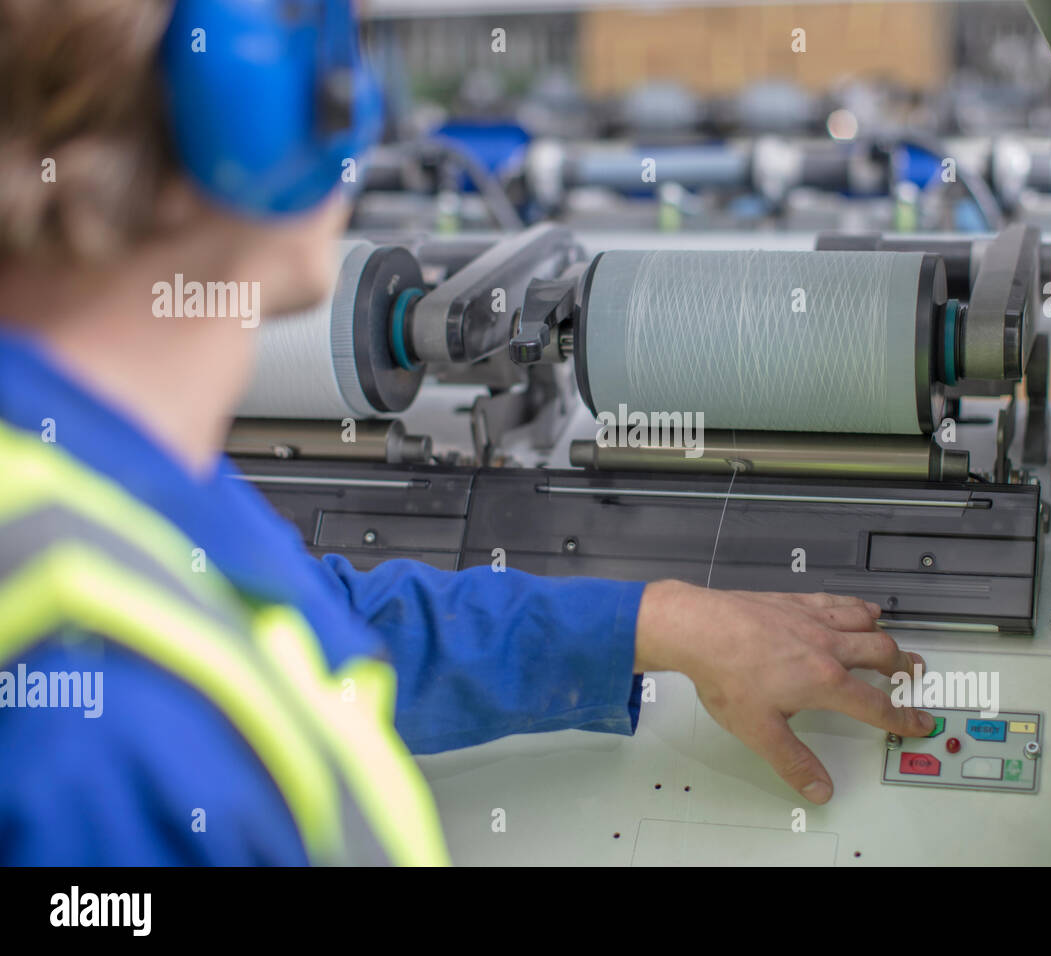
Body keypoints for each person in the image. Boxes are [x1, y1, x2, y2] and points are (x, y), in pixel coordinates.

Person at [0, 0, 933, 865]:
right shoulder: (101, 719)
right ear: (279, 115)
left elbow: (319, 627)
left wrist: (659, 623)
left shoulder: (86, 501)